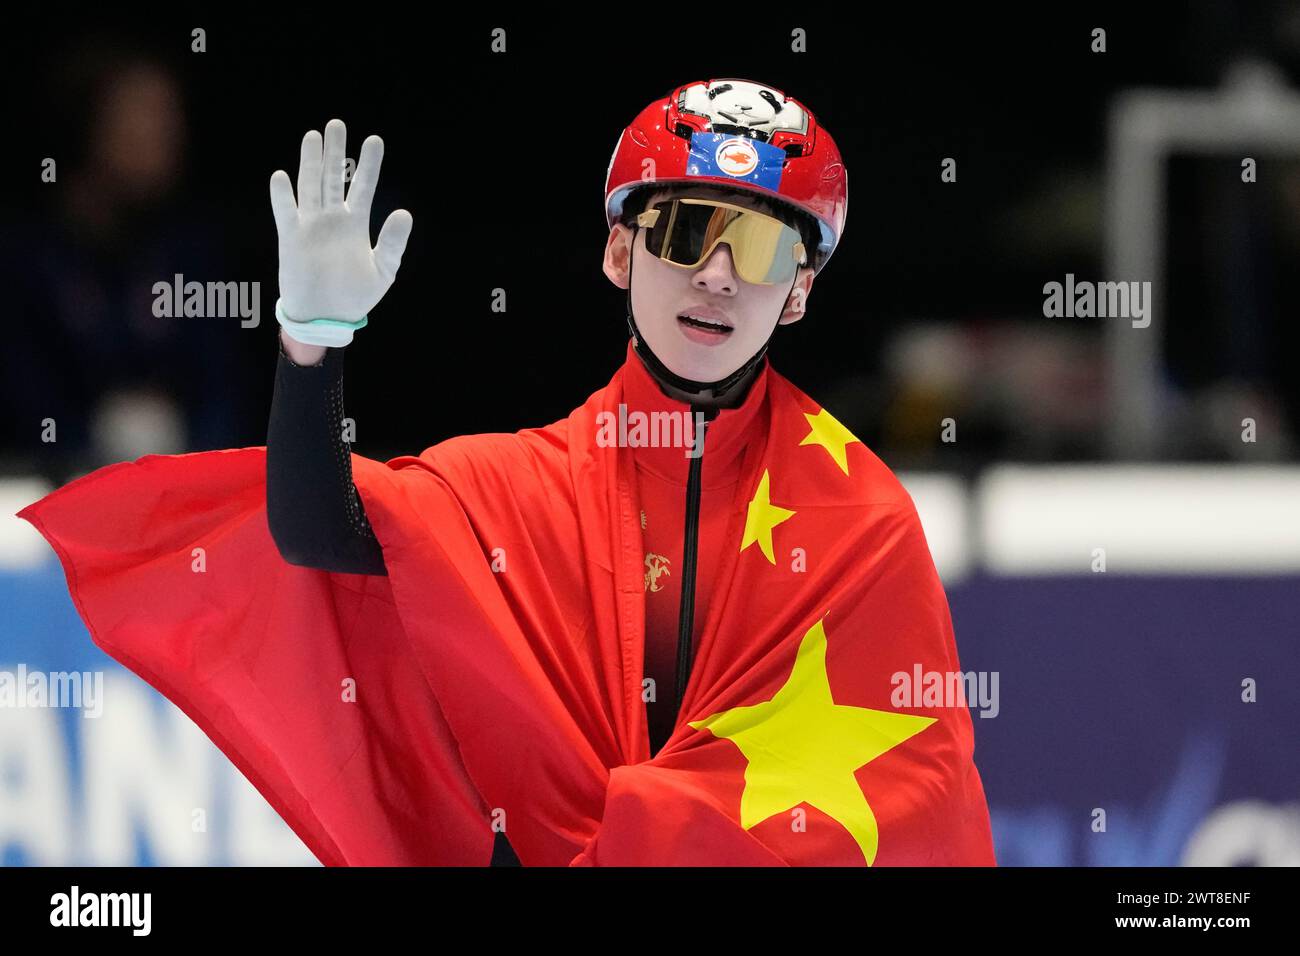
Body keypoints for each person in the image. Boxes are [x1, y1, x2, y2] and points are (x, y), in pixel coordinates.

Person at [20, 78, 997, 867]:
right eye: (684, 231)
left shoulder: (862, 517)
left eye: (762, 244)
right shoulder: (518, 487)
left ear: (798, 293)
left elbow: (911, 803)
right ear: (620, 251)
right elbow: (317, 530)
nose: (717, 274)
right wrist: (311, 343)